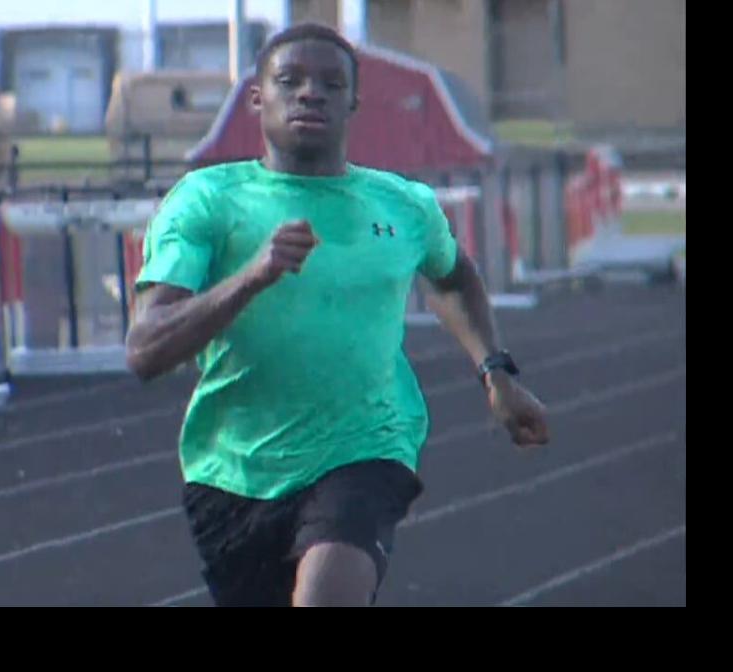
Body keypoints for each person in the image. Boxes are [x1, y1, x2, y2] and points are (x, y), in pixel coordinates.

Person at [124, 23, 551, 607]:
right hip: (234, 472)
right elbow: (145, 350)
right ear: (257, 99)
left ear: (353, 102)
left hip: (367, 448)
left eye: (330, 83)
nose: (310, 93)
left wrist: (496, 374)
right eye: (290, 80)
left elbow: (453, 278)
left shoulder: (403, 205)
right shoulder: (206, 200)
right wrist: (253, 276)